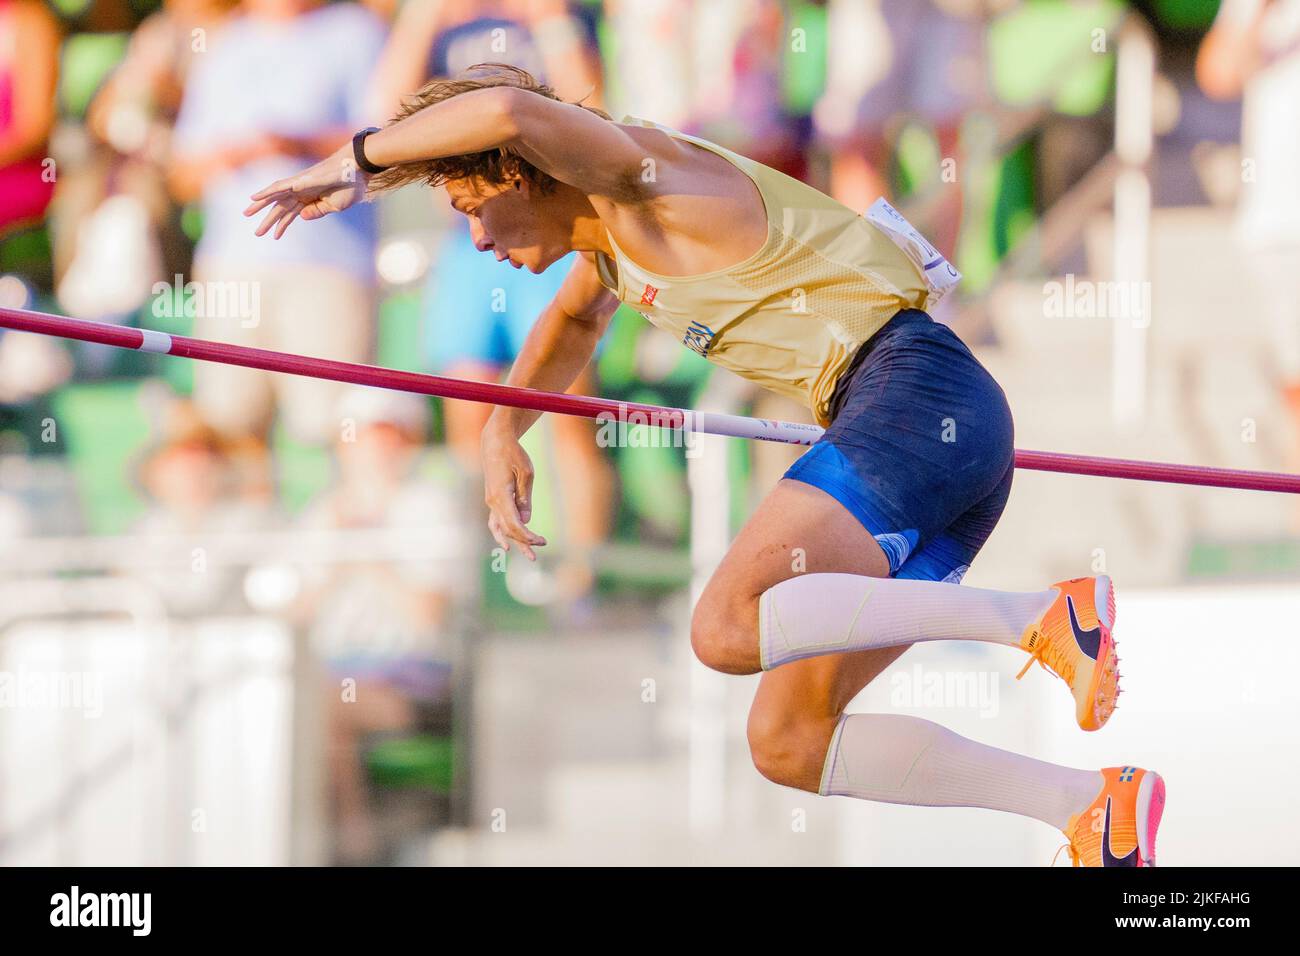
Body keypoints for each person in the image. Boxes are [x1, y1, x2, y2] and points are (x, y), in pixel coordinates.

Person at [244, 64, 1162, 867]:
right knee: (789, 740)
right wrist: (500, 432)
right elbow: (569, 327)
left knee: (726, 628)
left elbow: (512, 109)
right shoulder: (607, 247)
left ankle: (1040, 618)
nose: (477, 241)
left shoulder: (641, 176)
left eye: (472, 209)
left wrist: (354, 160)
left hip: (914, 397)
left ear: (516, 170)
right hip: (941, 444)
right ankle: (1087, 806)